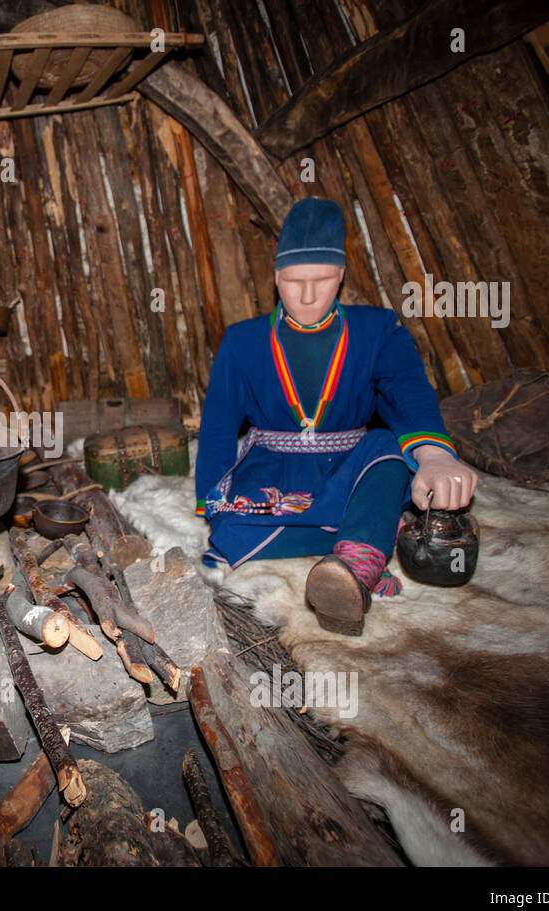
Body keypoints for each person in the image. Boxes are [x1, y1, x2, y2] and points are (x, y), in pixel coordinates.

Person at [195, 197, 478, 635]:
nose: (307, 295)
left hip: (352, 464)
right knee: (229, 532)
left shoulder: (378, 330)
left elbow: (408, 394)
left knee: (387, 448)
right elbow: (216, 429)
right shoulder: (242, 341)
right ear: (275, 279)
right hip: (275, 468)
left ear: (341, 276)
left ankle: (357, 565)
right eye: (293, 281)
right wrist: (209, 502)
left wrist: (435, 456)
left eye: (323, 279)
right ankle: (371, 534)